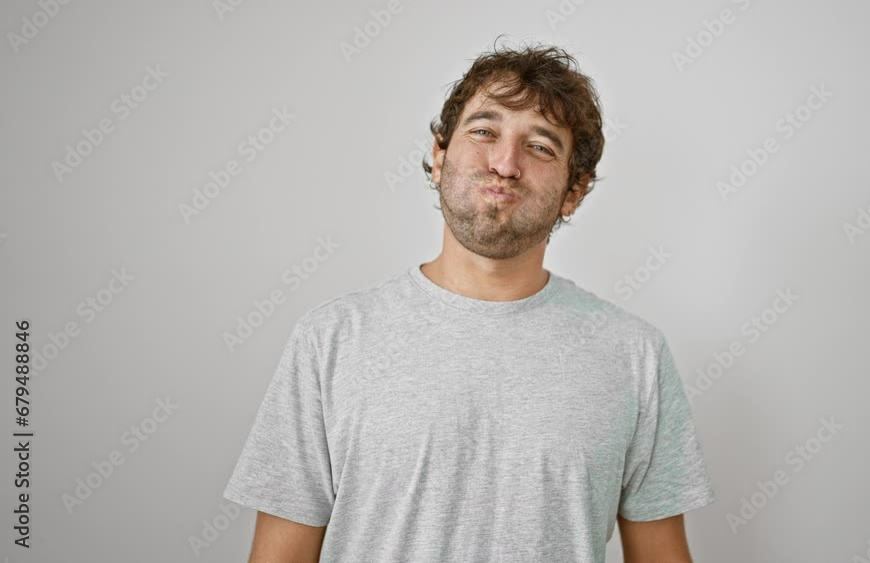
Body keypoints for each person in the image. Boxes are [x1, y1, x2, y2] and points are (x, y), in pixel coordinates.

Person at [223, 39, 717, 563]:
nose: (505, 164)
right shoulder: (331, 340)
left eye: (541, 147)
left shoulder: (634, 355)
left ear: (575, 190)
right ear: (439, 156)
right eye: (484, 132)